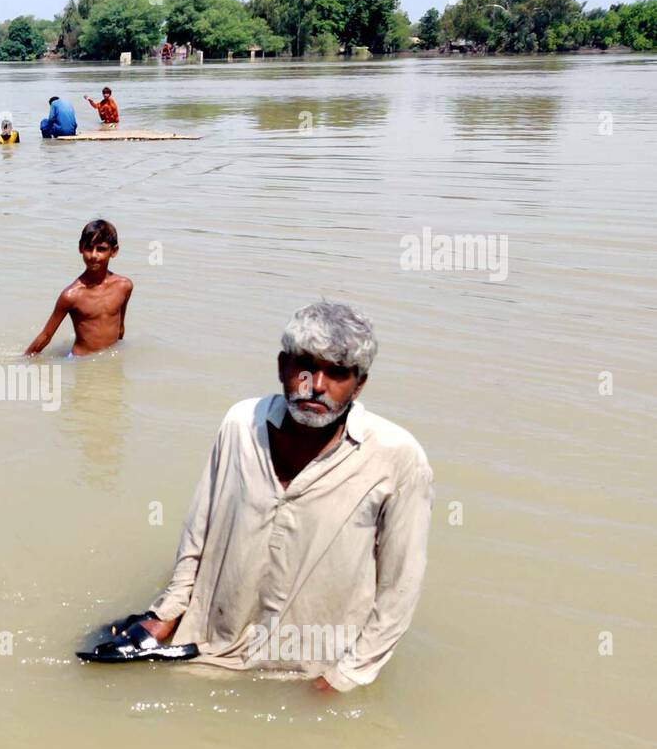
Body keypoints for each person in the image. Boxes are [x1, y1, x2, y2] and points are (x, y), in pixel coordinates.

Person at [80, 301, 435, 692]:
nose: (316, 385)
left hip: (305, 671)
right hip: (209, 646)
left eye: (336, 372)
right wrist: (167, 612)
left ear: (359, 383)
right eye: (304, 366)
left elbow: (400, 587)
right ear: (282, 366)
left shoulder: (398, 457)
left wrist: (345, 677)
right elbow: (198, 531)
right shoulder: (240, 425)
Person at [24, 219, 132, 357]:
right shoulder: (71, 295)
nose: (93, 255)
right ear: (80, 248)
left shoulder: (124, 286)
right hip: (81, 362)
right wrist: (23, 361)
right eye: (88, 248)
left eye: (101, 249)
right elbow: (46, 336)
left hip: (109, 360)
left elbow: (120, 329)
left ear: (114, 251)